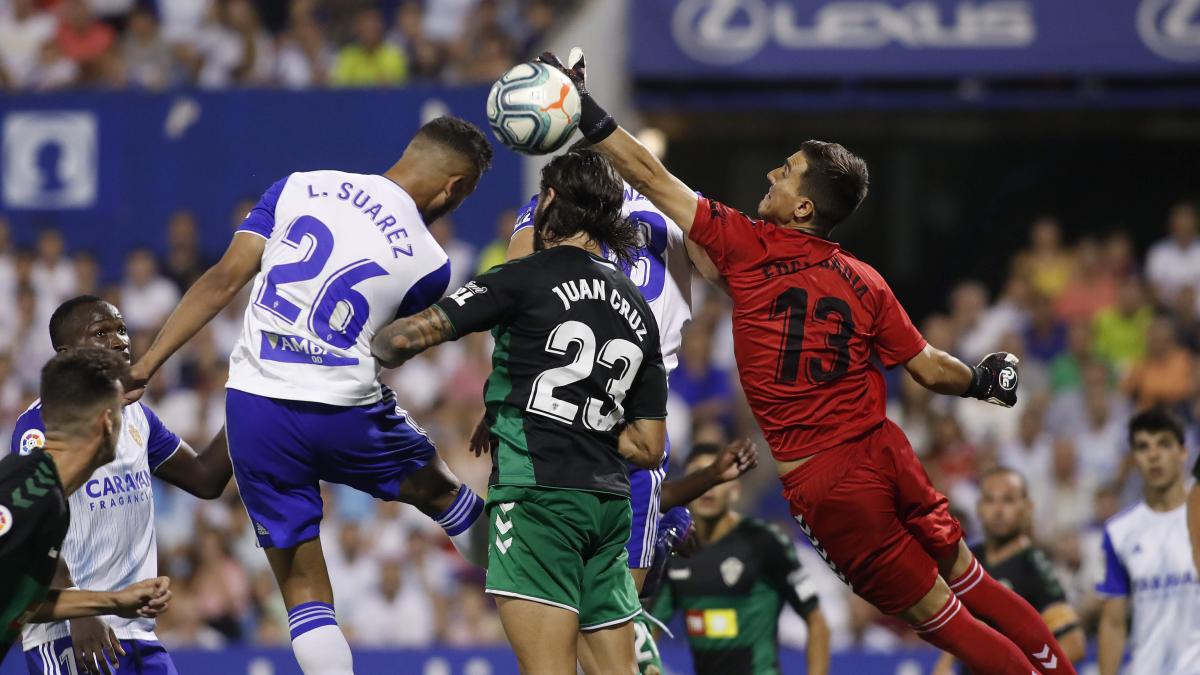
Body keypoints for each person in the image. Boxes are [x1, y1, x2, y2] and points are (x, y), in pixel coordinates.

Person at [543, 47, 1074, 675]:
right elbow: (931, 369)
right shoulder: (864, 279)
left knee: (950, 624)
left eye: (787, 171)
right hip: (887, 450)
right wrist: (986, 380)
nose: (772, 173)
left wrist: (583, 110)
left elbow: (652, 177)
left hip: (831, 486)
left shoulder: (749, 245)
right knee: (974, 582)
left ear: (803, 208)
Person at [126, 116, 494, 675]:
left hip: (255, 409)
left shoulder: (300, 185)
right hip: (344, 408)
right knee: (448, 498)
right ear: (455, 188)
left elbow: (223, 279)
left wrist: (149, 363)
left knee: (303, 590)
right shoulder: (432, 265)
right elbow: (388, 344)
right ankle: (548, 611)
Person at [372, 148, 669, 675]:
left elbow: (406, 339)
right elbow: (649, 447)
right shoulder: (639, 308)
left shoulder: (521, 277)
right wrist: (585, 420)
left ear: (549, 200)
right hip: (607, 507)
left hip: (537, 503)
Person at [500, 146, 757, 675]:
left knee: (564, 637)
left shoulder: (554, 204)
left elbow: (516, 278)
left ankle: (651, 569)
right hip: (639, 413)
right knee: (609, 632)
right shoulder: (680, 207)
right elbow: (728, 276)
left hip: (564, 409)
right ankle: (654, 557)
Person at [12, 296, 231, 675]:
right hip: (69, 634)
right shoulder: (41, 425)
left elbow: (205, 478)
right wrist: (80, 611)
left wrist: (252, 406)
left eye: (122, 330)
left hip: (139, 632)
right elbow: (34, 527)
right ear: (67, 355)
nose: (120, 341)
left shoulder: (137, 417)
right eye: (101, 332)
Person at [1, 348, 172, 665]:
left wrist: (114, 601)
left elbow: (23, 603)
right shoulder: (27, 489)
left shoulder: (53, 501)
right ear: (108, 424)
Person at [650, 443, 830, 675]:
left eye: (717, 479)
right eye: (700, 477)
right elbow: (650, 629)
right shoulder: (674, 550)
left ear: (734, 490)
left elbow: (816, 620)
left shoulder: (764, 542)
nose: (709, 489)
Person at [933, 468, 1085, 675]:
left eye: (1008, 500)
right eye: (990, 500)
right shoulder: (967, 558)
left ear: (1028, 508)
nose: (998, 510)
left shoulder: (1034, 567)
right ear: (979, 508)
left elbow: (1073, 643)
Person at [1096, 408, 1200, 675]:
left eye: (1164, 444)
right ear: (1133, 459)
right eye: (1143, 447)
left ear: (1183, 452)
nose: (1153, 455)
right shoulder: (1119, 532)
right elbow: (1113, 622)